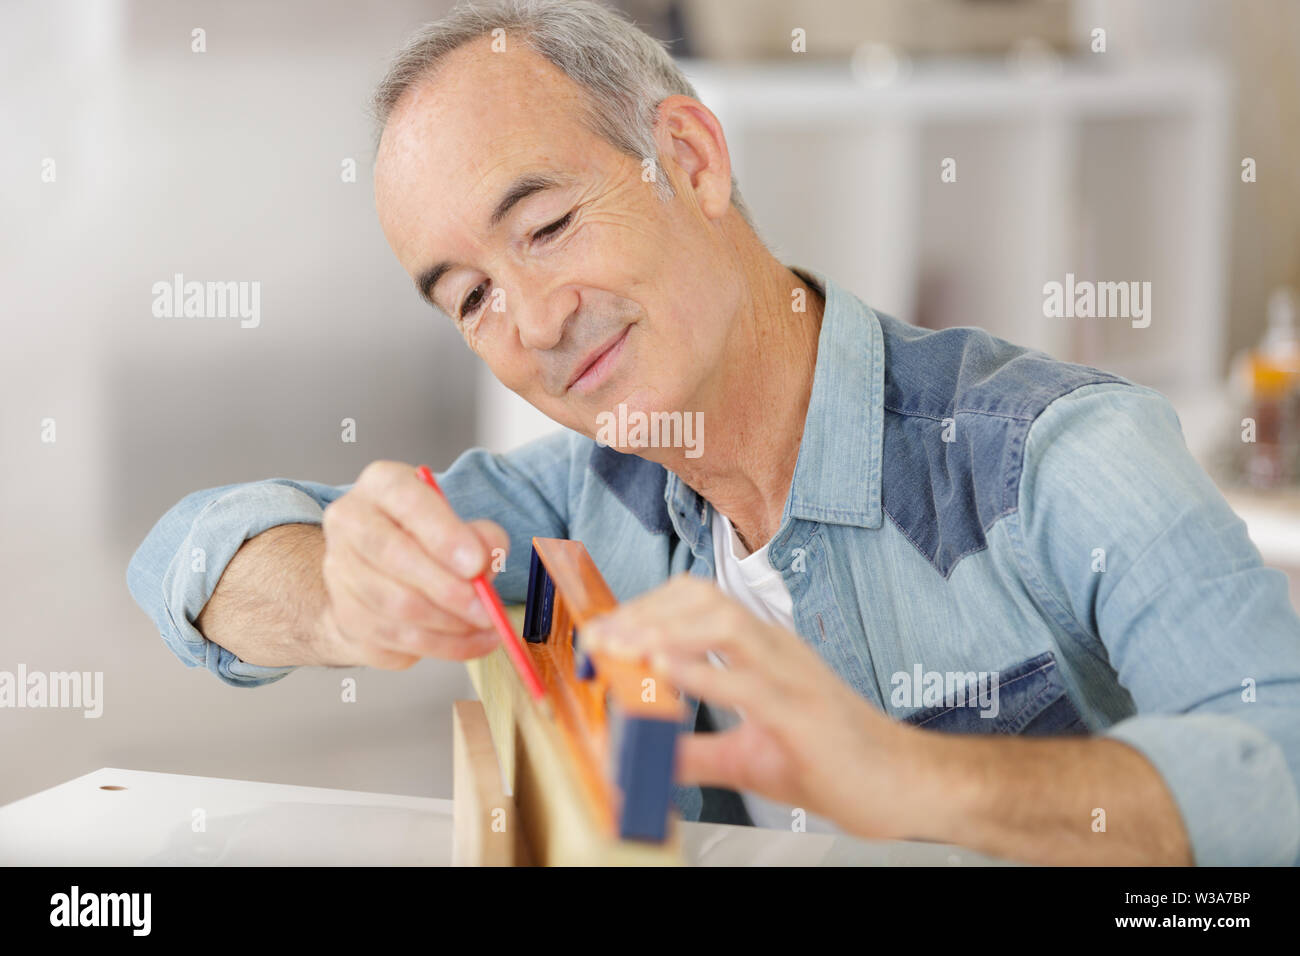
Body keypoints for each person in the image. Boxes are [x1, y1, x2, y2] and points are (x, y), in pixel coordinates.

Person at [128, 0, 1300, 865]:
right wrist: (337, 596)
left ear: (688, 158)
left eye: (542, 224)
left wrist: (909, 776)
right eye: (471, 297)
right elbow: (186, 552)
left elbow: (1283, 778)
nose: (533, 321)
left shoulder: (1054, 457)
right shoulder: (580, 507)